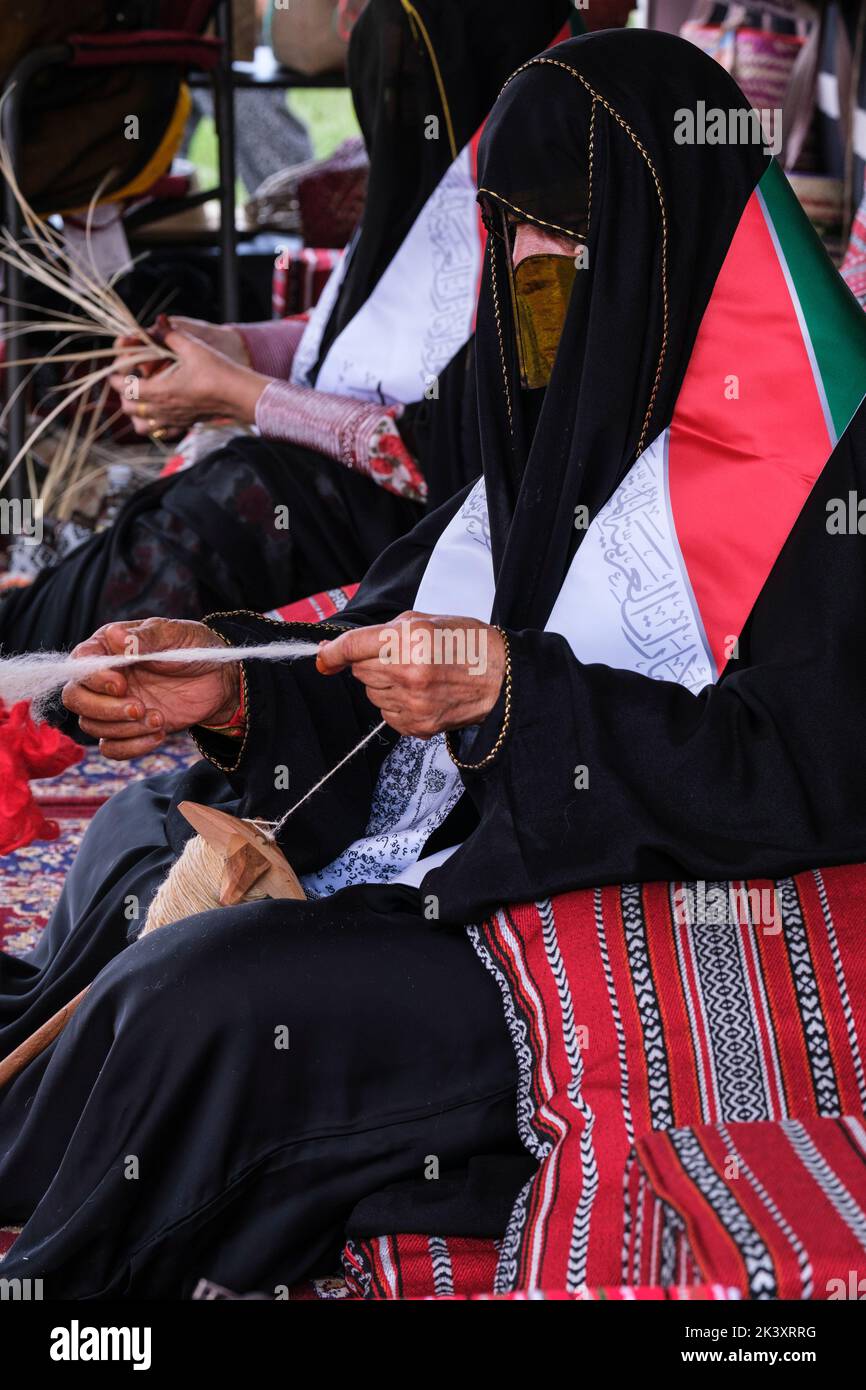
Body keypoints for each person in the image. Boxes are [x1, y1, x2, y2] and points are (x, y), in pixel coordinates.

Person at [3, 25, 866, 1297]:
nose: (524, 264)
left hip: (621, 940)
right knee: (143, 840)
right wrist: (239, 689)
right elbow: (386, 644)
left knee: (218, 996)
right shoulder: (554, 416)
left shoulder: (823, 480)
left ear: (670, 229)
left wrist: (519, 701)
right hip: (457, 865)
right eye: (505, 223)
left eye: (564, 229)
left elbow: (803, 774)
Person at [0, 0, 571, 657]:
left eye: (405, 78)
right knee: (192, 491)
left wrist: (240, 394)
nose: (390, 100)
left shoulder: (544, 231)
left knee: (232, 502)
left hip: (444, 524)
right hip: (338, 485)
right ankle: (27, 634)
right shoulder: (434, 180)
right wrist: (233, 346)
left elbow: (445, 458)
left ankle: (48, 659)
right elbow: (359, 333)